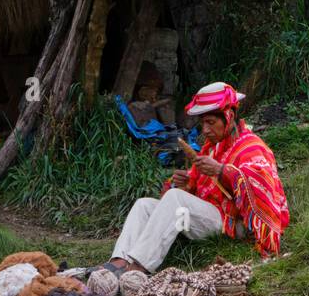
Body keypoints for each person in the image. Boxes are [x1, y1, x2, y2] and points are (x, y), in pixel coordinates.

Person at [101, 81, 288, 277]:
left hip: (232, 223)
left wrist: (222, 170)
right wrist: (186, 184)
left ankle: (138, 268)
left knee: (175, 199)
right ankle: (119, 261)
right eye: (203, 123)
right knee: (144, 205)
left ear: (229, 116)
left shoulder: (252, 147)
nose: (205, 130)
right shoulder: (211, 147)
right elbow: (200, 188)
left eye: (211, 122)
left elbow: (262, 187)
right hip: (207, 216)